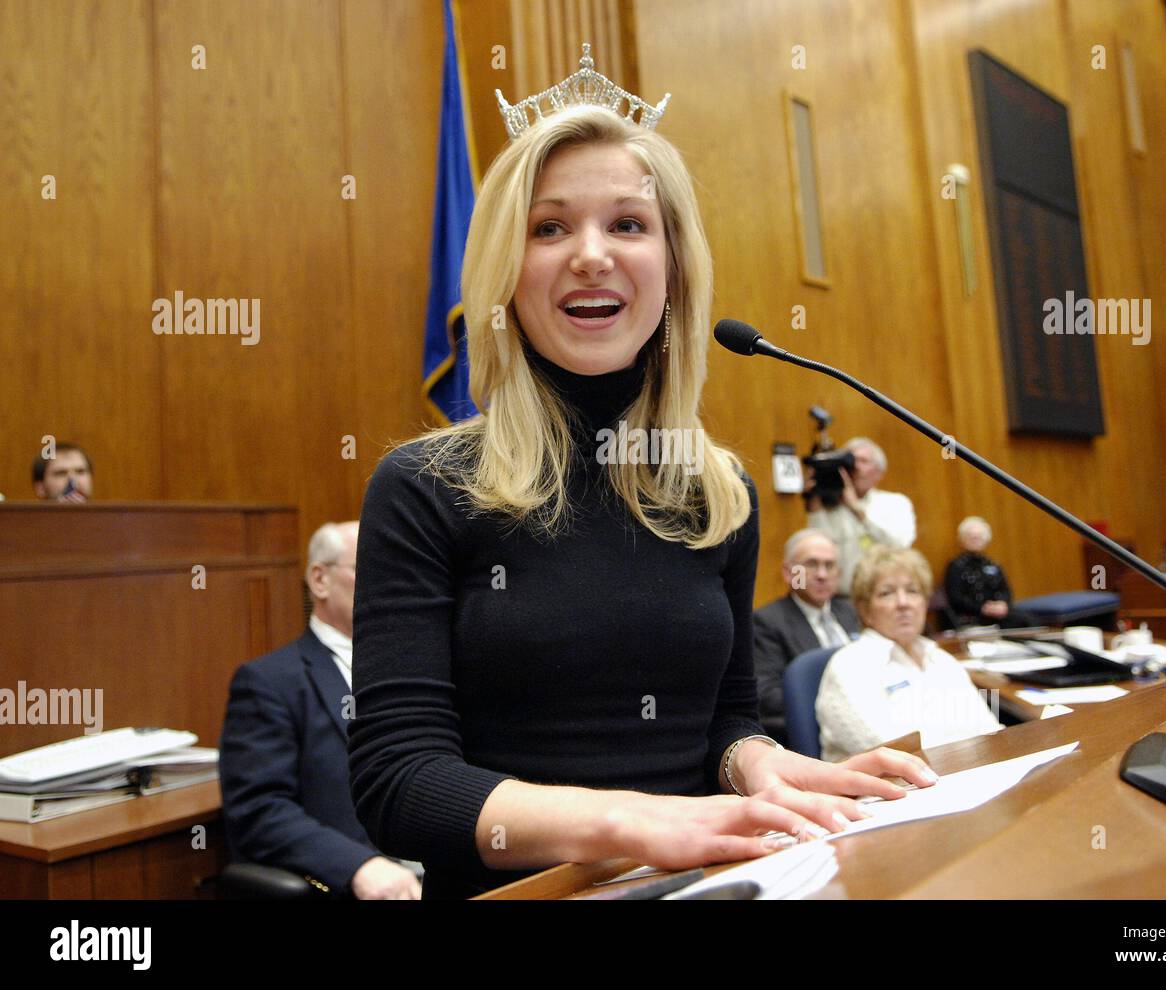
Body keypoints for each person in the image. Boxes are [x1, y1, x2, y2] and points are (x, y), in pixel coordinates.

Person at [348, 46, 936, 900]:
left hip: (713, 881)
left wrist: (762, 768)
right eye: (548, 227)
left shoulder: (719, 492)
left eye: (628, 223)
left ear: (674, 266)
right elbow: (398, 781)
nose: (590, 254)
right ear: (504, 274)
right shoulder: (424, 485)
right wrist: (630, 822)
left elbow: (726, 720)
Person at [219, 521, 422, 900]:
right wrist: (357, 865)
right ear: (320, 580)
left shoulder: (419, 667)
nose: (394, 583)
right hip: (359, 884)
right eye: (375, 569)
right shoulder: (269, 682)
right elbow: (258, 812)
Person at [816, 546, 1002, 761]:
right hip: (893, 789)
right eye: (887, 593)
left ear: (924, 603)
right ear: (865, 610)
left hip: (968, 775)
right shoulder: (850, 666)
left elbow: (990, 731)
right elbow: (892, 756)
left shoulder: (941, 659)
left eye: (912, 591)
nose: (903, 603)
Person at [752, 528, 859, 743]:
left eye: (830, 565)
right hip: (816, 731)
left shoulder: (848, 611)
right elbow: (767, 695)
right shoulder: (767, 621)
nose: (822, 575)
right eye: (811, 564)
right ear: (789, 573)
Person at [805, 437, 916, 595]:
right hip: (840, 599)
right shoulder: (830, 507)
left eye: (863, 461)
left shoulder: (896, 503)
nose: (855, 466)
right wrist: (815, 501)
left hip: (883, 595)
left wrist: (856, 509)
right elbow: (818, 547)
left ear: (878, 473)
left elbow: (899, 546)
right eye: (851, 460)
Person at [943, 516, 1033, 628]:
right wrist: (982, 608)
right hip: (973, 617)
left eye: (979, 536)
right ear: (962, 539)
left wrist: (1003, 604)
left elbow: (1006, 590)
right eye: (971, 536)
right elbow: (955, 598)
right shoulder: (956, 566)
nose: (975, 539)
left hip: (998, 614)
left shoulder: (992, 564)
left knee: (1027, 619)